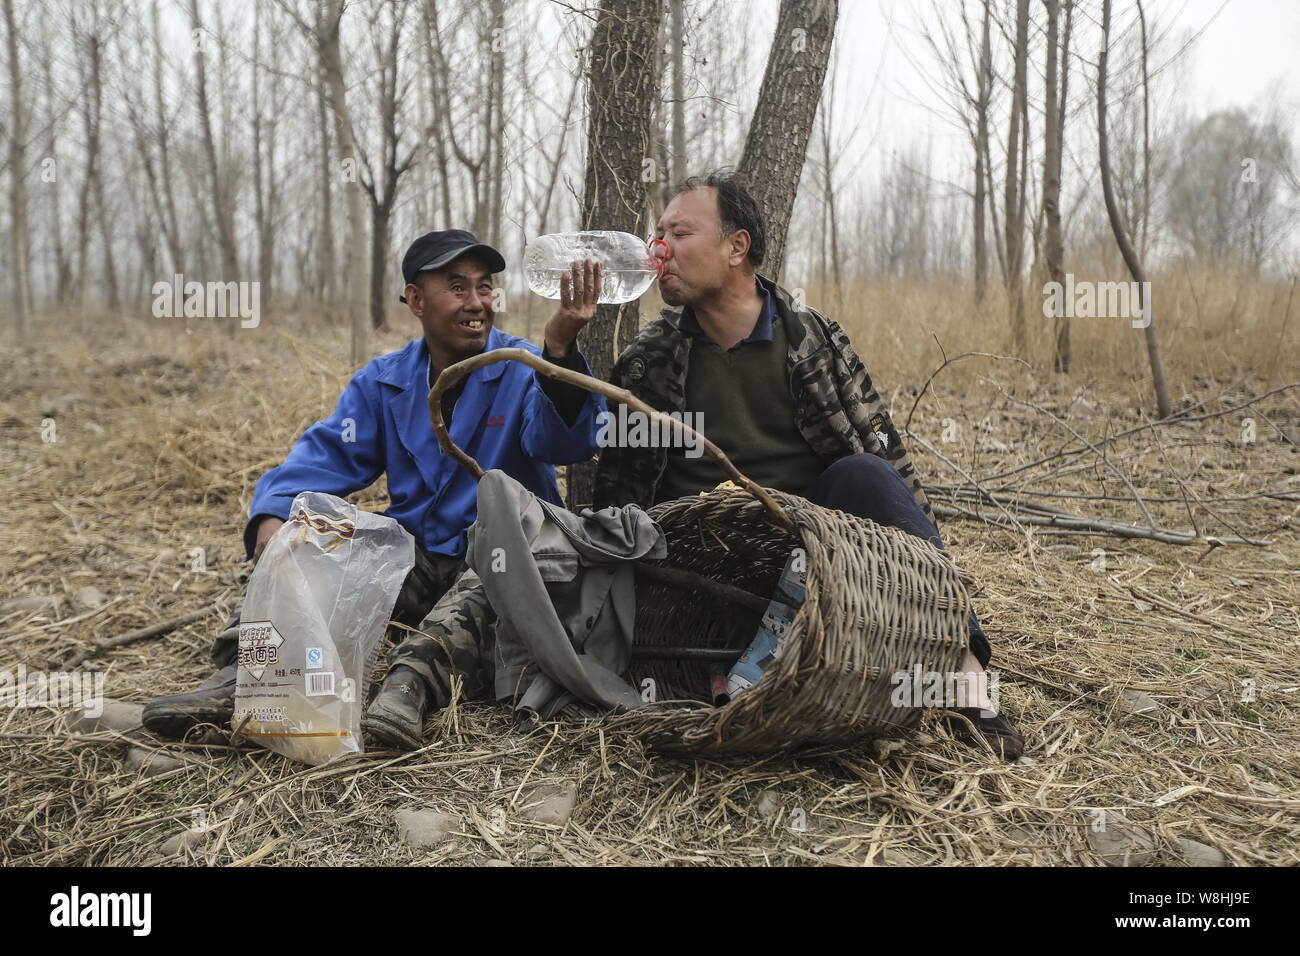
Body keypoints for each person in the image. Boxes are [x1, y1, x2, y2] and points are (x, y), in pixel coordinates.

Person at [592, 172, 1025, 760]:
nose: (657, 249)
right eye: (656, 233)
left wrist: (933, 574)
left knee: (866, 475)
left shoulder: (812, 340)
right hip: (698, 570)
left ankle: (967, 679)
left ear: (736, 247)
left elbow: (884, 455)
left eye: (679, 232)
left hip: (813, 563)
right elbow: (614, 491)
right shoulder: (649, 358)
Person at [143, 229, 607, 742]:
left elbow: (566, 442)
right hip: (415, 554)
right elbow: (327, 456)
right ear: (415, 299)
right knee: (309, 549)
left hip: (498, 558)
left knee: (484, 585)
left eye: (484, 287)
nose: (477, 303)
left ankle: (408, 687)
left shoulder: (522, 367)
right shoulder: (385, 381)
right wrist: (277, 516)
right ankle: (242, 674)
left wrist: (560, 348)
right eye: (457, 287)